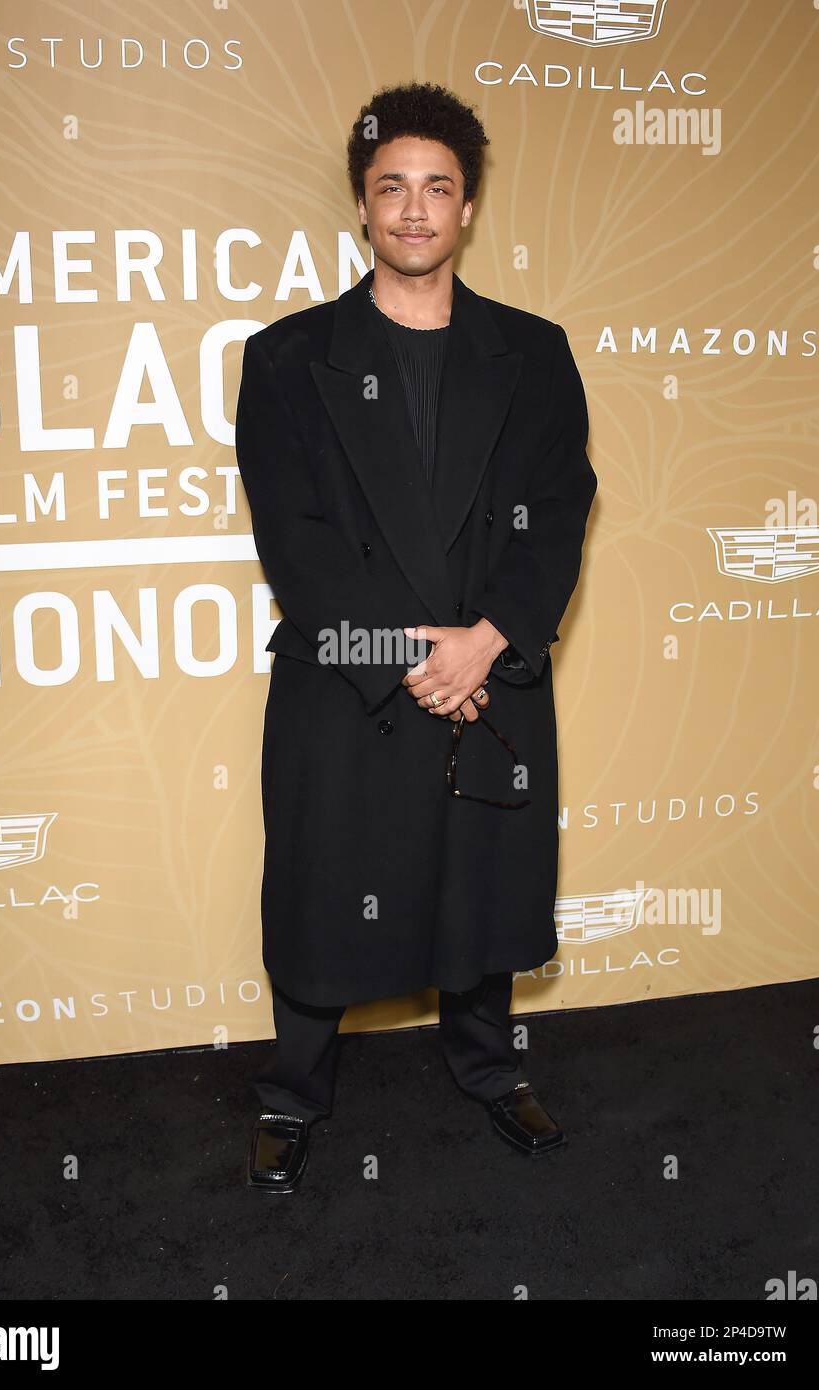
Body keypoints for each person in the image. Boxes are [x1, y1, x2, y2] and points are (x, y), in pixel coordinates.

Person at [234, 80, 597, 1192]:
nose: (413, 208)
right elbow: (296, 544)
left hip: (488, 668)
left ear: (468, 208)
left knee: (477, 879)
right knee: (324, 883)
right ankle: (294, 1092)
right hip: (348, 675)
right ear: (360, 206)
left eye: (437, 187)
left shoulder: (533, 353)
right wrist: (412, 653)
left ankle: (488, 1069)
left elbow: (559, 507)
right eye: (391, 186)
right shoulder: (288, 356)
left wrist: (485, 640)